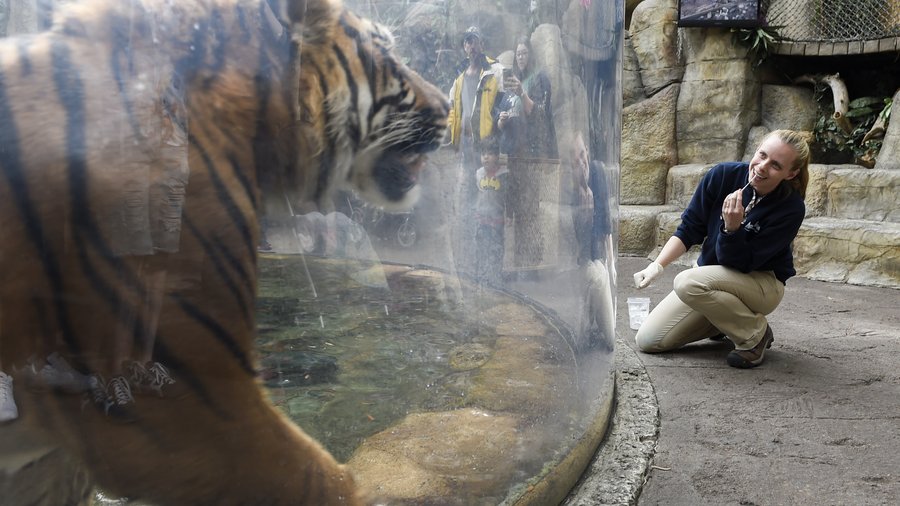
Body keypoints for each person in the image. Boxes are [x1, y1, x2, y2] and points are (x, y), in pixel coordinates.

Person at [632, 130, 811, 368]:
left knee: (687, 282)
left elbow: (742, 263)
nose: (762, 167)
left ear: (791, 173)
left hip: (760, 283)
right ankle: (724, 321)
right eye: (762, 155)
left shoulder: (791, 208)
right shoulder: (723, 175)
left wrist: (731, 229)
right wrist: (657, 265)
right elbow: (690, 228)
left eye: (775, 165)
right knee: (648, 340)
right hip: (709, 279)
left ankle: (754, 334)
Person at [447, 26, 504, 272]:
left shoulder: (493, 72)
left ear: (482, 45)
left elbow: (504, 102)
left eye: (475, 41)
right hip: (465, 148)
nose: (471, 46)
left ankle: (491, 260)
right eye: (467, 42)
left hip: (486, 147)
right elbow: (452, 108)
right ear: (464, 47)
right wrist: (452, 133)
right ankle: (471, 259)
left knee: (489, 197)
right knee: (468, 198)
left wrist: (499, 129)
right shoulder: (459, 80)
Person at [496, 36, 558, 159]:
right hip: (511, 153)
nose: (521, 57)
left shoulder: (540, 78)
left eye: (524, 53)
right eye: (518, 54)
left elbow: (541, 115)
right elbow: (499, 120)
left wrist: (522, 93)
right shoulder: (513, 82)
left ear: (530, 55)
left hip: (534, 152)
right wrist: (501, 120)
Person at [473, 138, 509, 286]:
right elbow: (477, 193)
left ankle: (496, 276)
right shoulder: (479, 174)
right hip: (481, 218)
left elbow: (509, 196)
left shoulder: (504, 174)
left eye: (490, 154)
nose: (486, 157)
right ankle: (481, 275)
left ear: (497, 156)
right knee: (481, 247)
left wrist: (509, 215)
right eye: (483, 154)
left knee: (497, 248)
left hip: (497, 220)